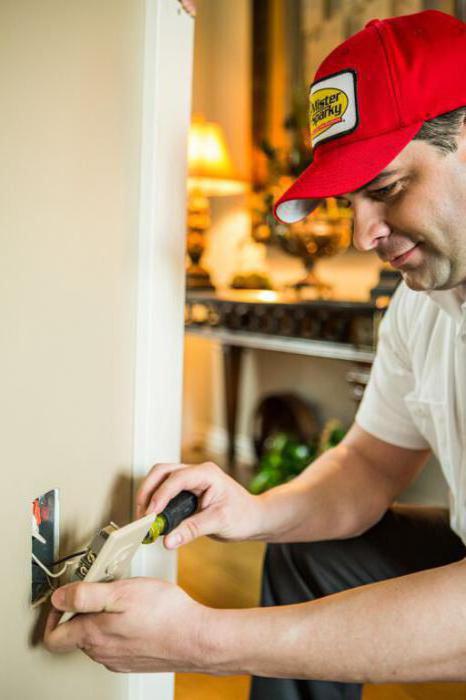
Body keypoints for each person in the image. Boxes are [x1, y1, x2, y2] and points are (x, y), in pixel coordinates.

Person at [44, 9, 466, 698]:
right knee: (308, 551)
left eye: (387, 188)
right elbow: (369, 464)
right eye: (350, 200)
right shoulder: (423, 306)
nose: (364, 234)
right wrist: (255, 510)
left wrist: (205, 641)